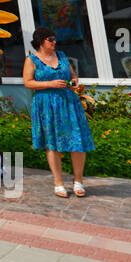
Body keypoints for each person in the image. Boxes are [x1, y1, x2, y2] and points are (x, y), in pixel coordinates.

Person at [22, 26, 94, 197]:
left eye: (55, 39)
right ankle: (58, 183)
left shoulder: (61, 56)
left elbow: (73, 75)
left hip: (68, 103)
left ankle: (78, 181)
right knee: (52, 143)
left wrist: (75, 81)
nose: (55, 42)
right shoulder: (31, 60)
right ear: (41, 41)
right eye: (51, 39)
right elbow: (28, 82)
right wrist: (50, 84)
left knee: (77, 140)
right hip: (46, 105)